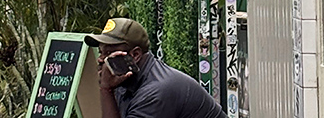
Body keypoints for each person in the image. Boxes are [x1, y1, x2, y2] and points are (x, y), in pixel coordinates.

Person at [85, 17, 226, 118]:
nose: (101, 59)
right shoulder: (126, 81)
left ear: (135, 55)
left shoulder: (157, 91)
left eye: (109, 53)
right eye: (101, 52)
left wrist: (106, 90)